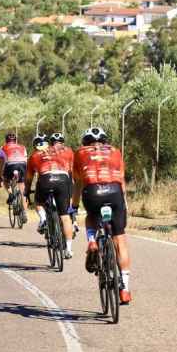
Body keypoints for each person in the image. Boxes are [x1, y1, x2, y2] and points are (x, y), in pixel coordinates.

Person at [71, 127, 133, 305]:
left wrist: (74, 207)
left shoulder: (80, 153)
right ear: (105, 141)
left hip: (92, 192)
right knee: (120, 240)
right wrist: (124, 203)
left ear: (85, 142)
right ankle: (125, 290)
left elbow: (78, 183)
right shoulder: (115, 151)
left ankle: (91, 240)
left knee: (91, 217)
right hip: (114, 192)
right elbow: (121, 179)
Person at [26, 134, 75, 258]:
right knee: (65, 216)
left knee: (38, 202)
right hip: (63, 179)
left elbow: (29, 178)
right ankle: (68, 249)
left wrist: (26, 192)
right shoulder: (63, 152)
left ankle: (43, 219)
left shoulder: (34, 155)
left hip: (46, 178)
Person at [0, 133, 28, 208]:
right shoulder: (22, 147)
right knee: (22, 187)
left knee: (6, 180)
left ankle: (11, 194)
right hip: (22, 165)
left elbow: (0, 163)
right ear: (15, 140)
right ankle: (24, 214)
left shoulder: (3, 147)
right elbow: (26, 160)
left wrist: (0, 176)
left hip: (10, 165)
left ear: (6, 140)